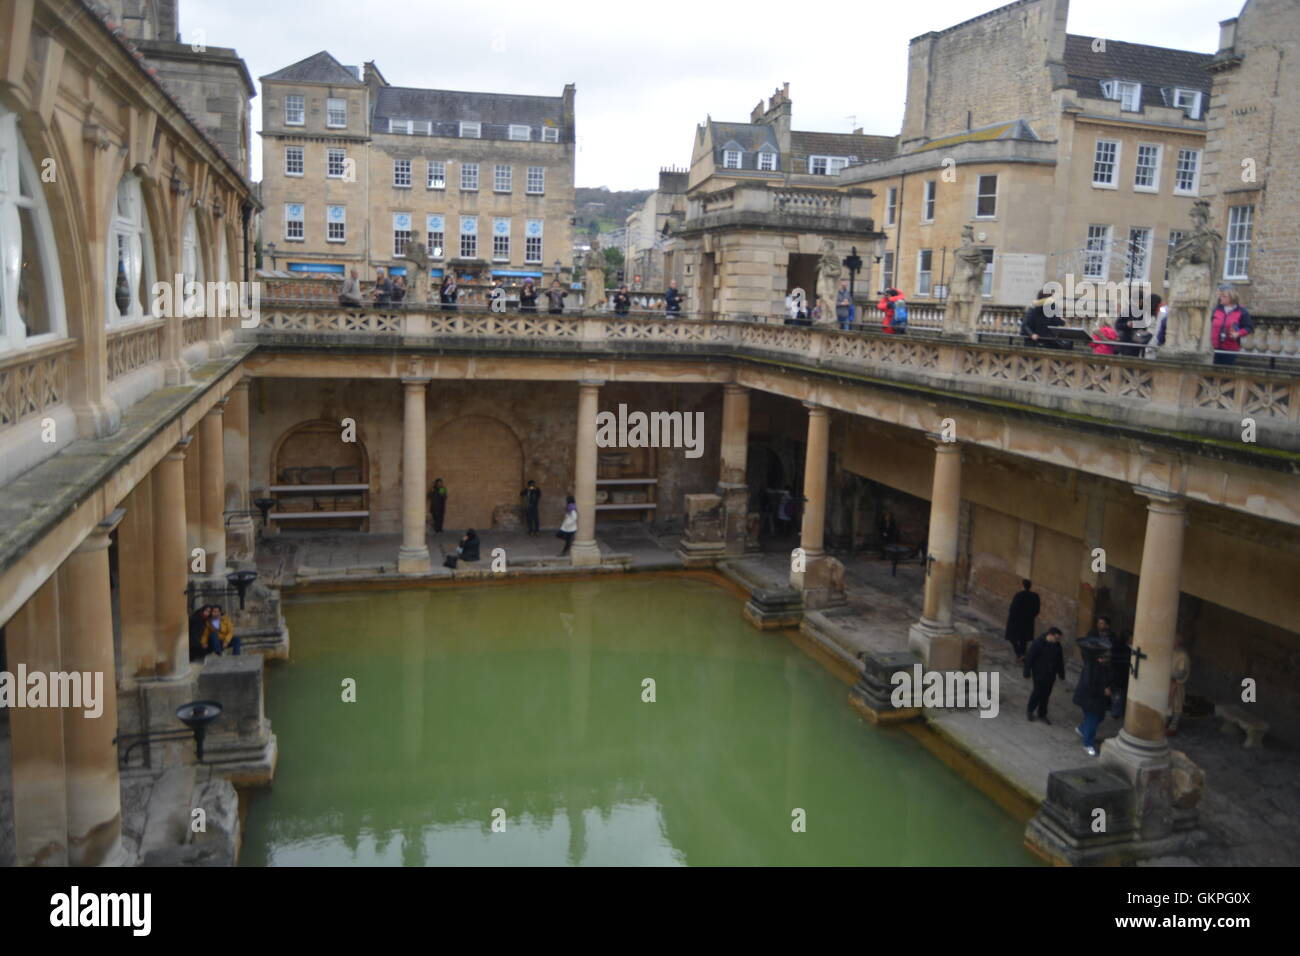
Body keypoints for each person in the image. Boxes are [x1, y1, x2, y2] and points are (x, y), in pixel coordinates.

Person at [1073, 636, 1113, 757]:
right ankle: (1088, 744)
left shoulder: (1101, 666)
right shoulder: (1090, 667)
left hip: (1097, 699)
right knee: (1093, 720)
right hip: (1089, 699)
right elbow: (1088, 685)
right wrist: (1103, 691)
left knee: (1099, 717)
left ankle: (1081, 729)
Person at [1024, 626, 1066, 723]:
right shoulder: (1038, 643)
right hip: (1039, 673)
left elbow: (1060, 660)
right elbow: (1030, 658)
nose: (1057, 640)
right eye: (1056, 638)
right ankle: (1030, 710)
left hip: (1051, 674)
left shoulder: (1057, 645)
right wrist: (1027, 672)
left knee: (1046, 694)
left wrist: (1061, 674)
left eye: (1058, 638)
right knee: (1037, 692)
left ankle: (1042, 713)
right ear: (1050, 635)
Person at [1210, 284, 1253, 366]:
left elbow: (1249, 327)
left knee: (1225, 375)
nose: (1220, 298)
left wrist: (1238, 333)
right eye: (1220, 296)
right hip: (1214, 348)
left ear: (1231, 297)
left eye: (1224, 296)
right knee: (1210, 375)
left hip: (1230, 348)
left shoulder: (1242, 311)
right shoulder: (1216, 309)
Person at [1004, 579, 1041, 663]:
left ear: (1022, 585)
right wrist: (1030, 617)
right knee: (1023, 639)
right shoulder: (1035, 596)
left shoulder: (1019, 595)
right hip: (1028, 622)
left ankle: (1019, 654)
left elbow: (1013, 609)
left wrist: (1012, 620)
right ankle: (1022, 655)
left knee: (1012, 638)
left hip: (1017, 621)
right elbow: (1037, 610)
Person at [1108, 629, 1133, 720]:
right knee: (1118, 695)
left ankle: (1116, 711)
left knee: (1118, 695)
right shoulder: (1123, 649)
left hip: (1118, 675)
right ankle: (1116, 713)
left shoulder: (1119, 647)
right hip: (1120, 675)